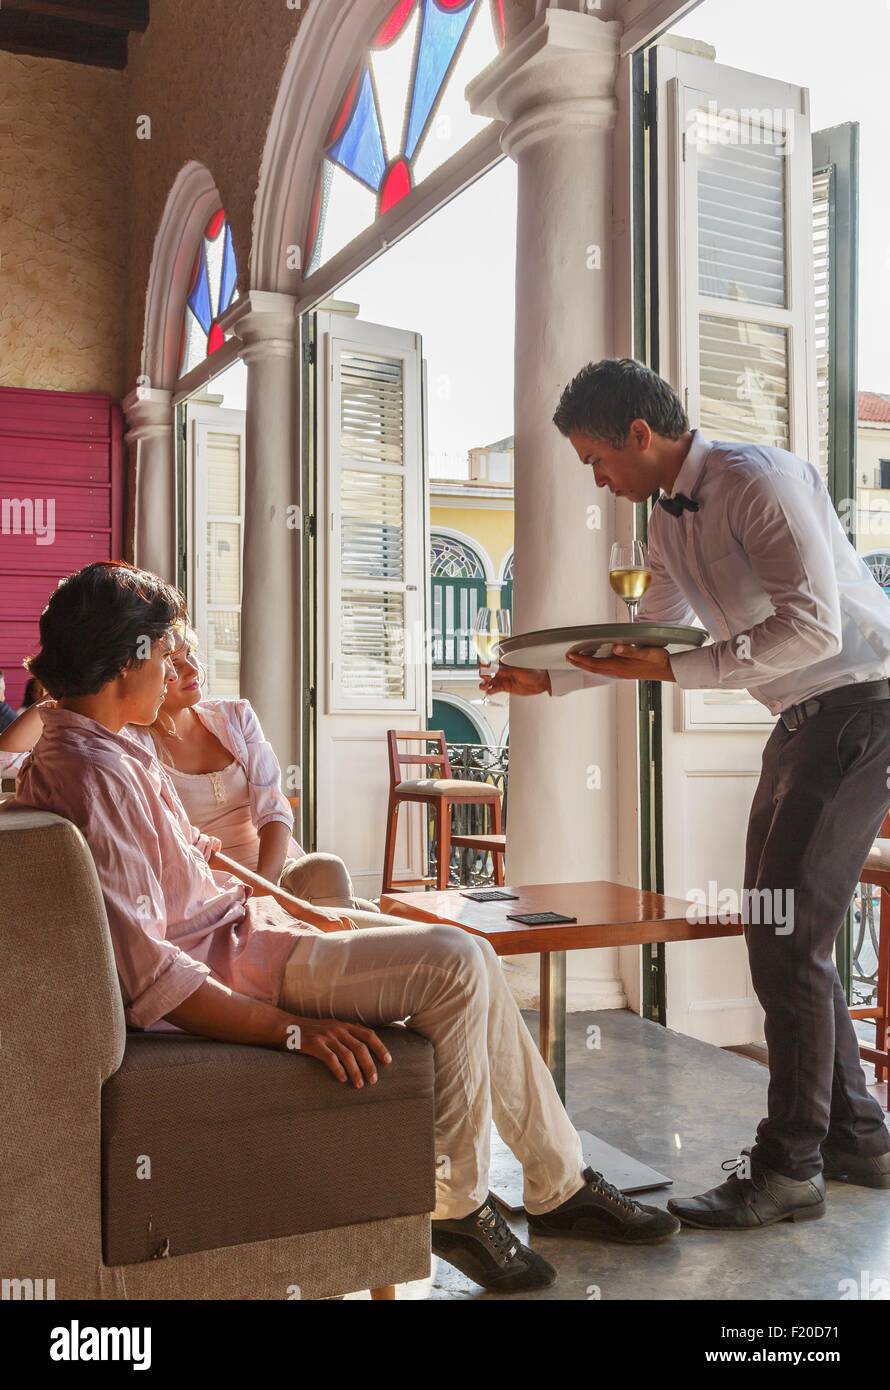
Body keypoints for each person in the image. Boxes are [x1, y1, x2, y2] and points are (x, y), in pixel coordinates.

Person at [14, 560, 680, 1293]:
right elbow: (153, 976)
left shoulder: (109, 750)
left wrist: (304, 908)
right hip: (234, 964)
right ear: (129, 658)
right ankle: (460, 1204)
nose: (178, 665)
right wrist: (286, 1029)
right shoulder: (91, 772)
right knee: (457, 964)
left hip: (248, 932)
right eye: (167, 653)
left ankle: (558, 1183)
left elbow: (200, 858)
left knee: (472, 958)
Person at [485, 358, 890, 1229]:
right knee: (780, 925)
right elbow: (648, 638)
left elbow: (813, 624)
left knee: (786, 933)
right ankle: (860, 1134)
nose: (595, 478)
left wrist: (676, 665)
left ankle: (790, 1169)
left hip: (864, 705)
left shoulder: (758, 481)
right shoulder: (666, 522)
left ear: (640, 434)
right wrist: (548, 682)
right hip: (801, 716)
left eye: (596, 458)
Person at [0, 621, 376, 916]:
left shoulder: (235, 716)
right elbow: (7, 758)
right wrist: (71, 693)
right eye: (173, 663)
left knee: (326, 870)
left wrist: (267, 887)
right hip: (214, 890)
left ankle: (377, 921)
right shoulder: (130, 745)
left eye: (191, 654)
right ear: (138, 673)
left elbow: (274, 811)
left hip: (276, 872)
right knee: (357, 921)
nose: (190, 669)